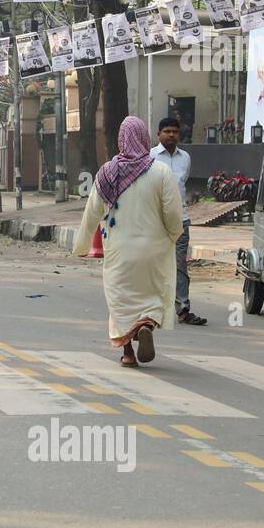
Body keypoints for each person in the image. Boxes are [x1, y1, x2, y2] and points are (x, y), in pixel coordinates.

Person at [74, 116, 184, 368]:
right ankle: (146, 324)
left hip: (119, 250)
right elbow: (173, 214)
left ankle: (128, 352)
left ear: (121, 140)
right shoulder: (161, 172)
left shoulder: (107, 172)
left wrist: (81, 245)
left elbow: (92, 212)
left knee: (120, 299)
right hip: (154, 249)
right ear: (146, 138)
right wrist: (172, 235)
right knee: (152, 295)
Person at [151, 118, 206, 326]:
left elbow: (182, 185)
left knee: (180, 265)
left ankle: (183, 309)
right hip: (155, 221)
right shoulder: (150, 157)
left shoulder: (185, 158)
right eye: (167, 131)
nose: (171, 135)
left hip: (180, 220)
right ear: (159, 134)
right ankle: (152, 309)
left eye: (175, 131)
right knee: (154, 265)